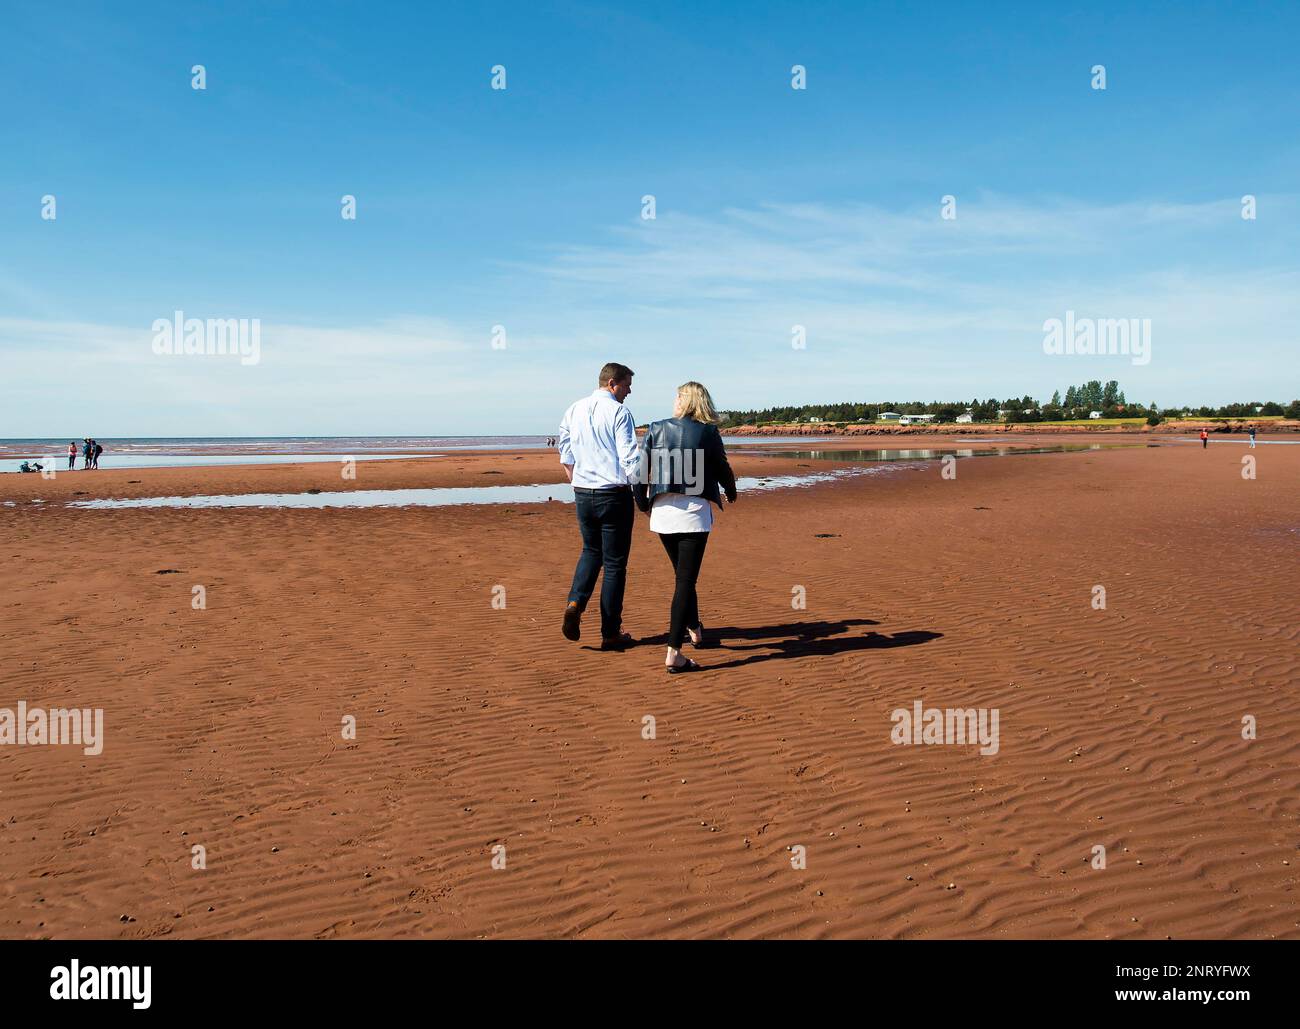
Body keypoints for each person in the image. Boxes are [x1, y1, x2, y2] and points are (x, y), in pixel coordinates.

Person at [633, 381, 737, 673]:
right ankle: (674, 653)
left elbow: (640, 472)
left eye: (677, 396)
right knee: (685, 581)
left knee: (683, 576)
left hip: (663, 513)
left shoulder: (656, 428)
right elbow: (721, 466)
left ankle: (694, 627)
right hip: (693, 513)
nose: (674, 400)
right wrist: (731, 490)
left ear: (684, 400)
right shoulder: (707, 431)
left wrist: (642, 503)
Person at [558, 362, 641, 651]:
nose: (629, 391)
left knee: (591, 551)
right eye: (627, 385)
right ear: (612, 383)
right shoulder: (619, 412)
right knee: (615, 565)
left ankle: (575, 602)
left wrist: (575, 480)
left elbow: (565, 451)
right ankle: (610, 632)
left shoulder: (574, 409)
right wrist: (640, 490)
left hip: (583, 492)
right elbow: (629, 456)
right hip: (613, 493)